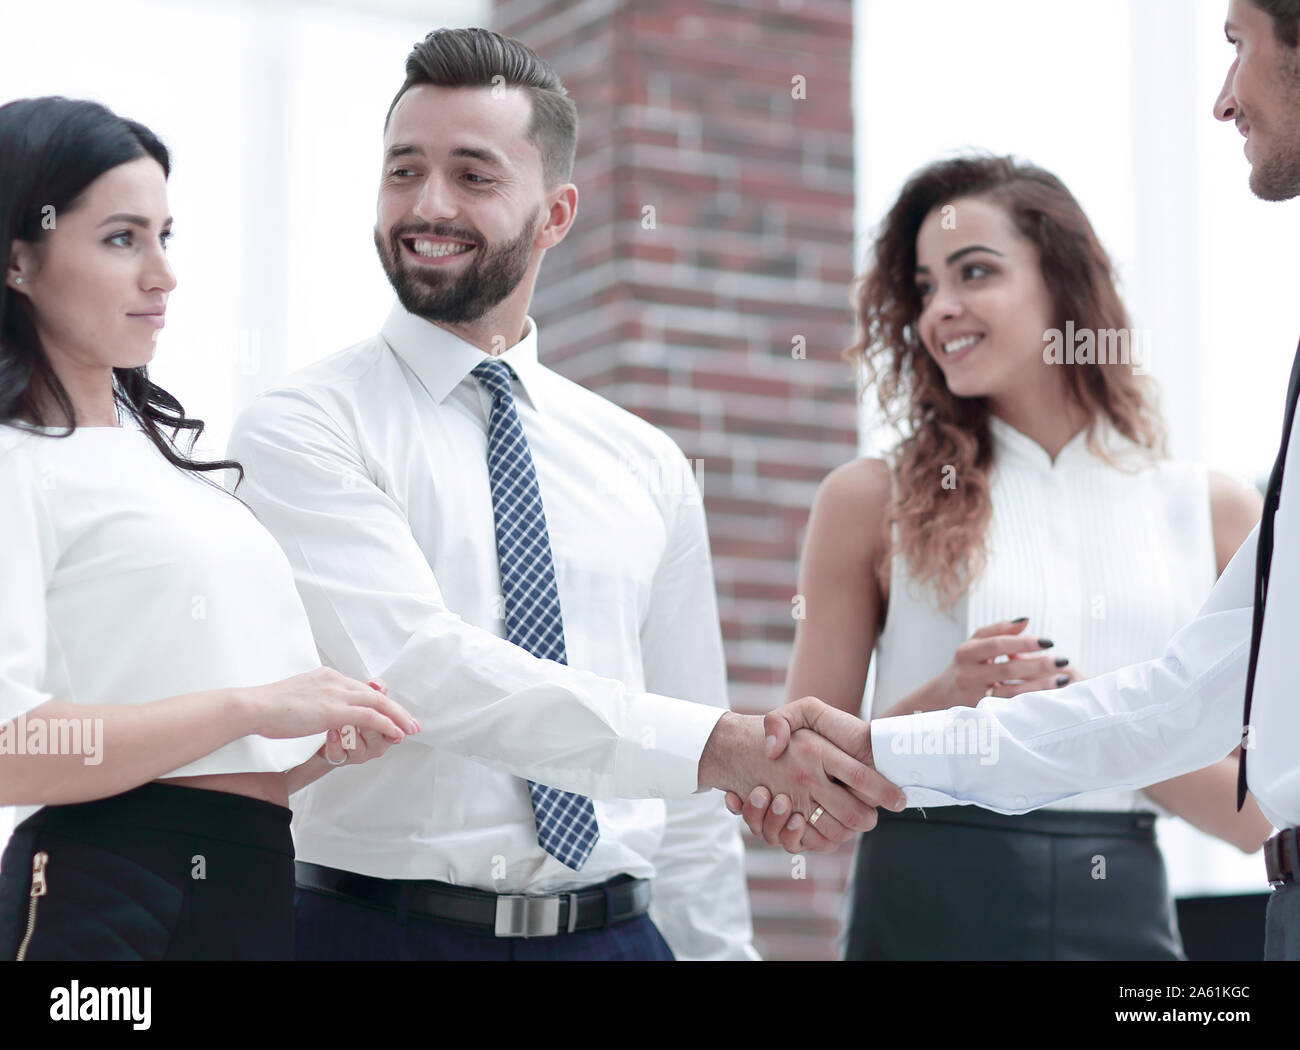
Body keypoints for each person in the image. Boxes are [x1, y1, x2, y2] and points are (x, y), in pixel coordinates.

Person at [224, 27, 902, 962]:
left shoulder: (645, 462)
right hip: (378, 935)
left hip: (619, 938)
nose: (428, 204)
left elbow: (695, 782)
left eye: (473, 175)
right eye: (403, 170)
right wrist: (722, 743)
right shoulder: (301, 427)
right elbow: (423, 673)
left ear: (556, 214)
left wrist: (719, 951)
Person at [737, 0, 1300, 962]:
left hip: (1125, 910)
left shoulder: (1212, 508)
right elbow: (789, 791)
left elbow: (1264, 817)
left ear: (1064, 284)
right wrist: (937, 706)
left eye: (975, 272)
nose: (941, 309)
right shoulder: (866, 501)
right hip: (925, 906)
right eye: (922, 287)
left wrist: (1106, 723)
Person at [0, 96, 419, 962]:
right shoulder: (15, 461)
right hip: (107, 887)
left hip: (251, 881)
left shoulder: (170, 462)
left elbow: (198, 747)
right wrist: (256, 703)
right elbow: (11, 746)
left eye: (166, 236)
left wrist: (309, 750)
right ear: (19, 260)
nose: (162, 274)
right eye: (122, 238)